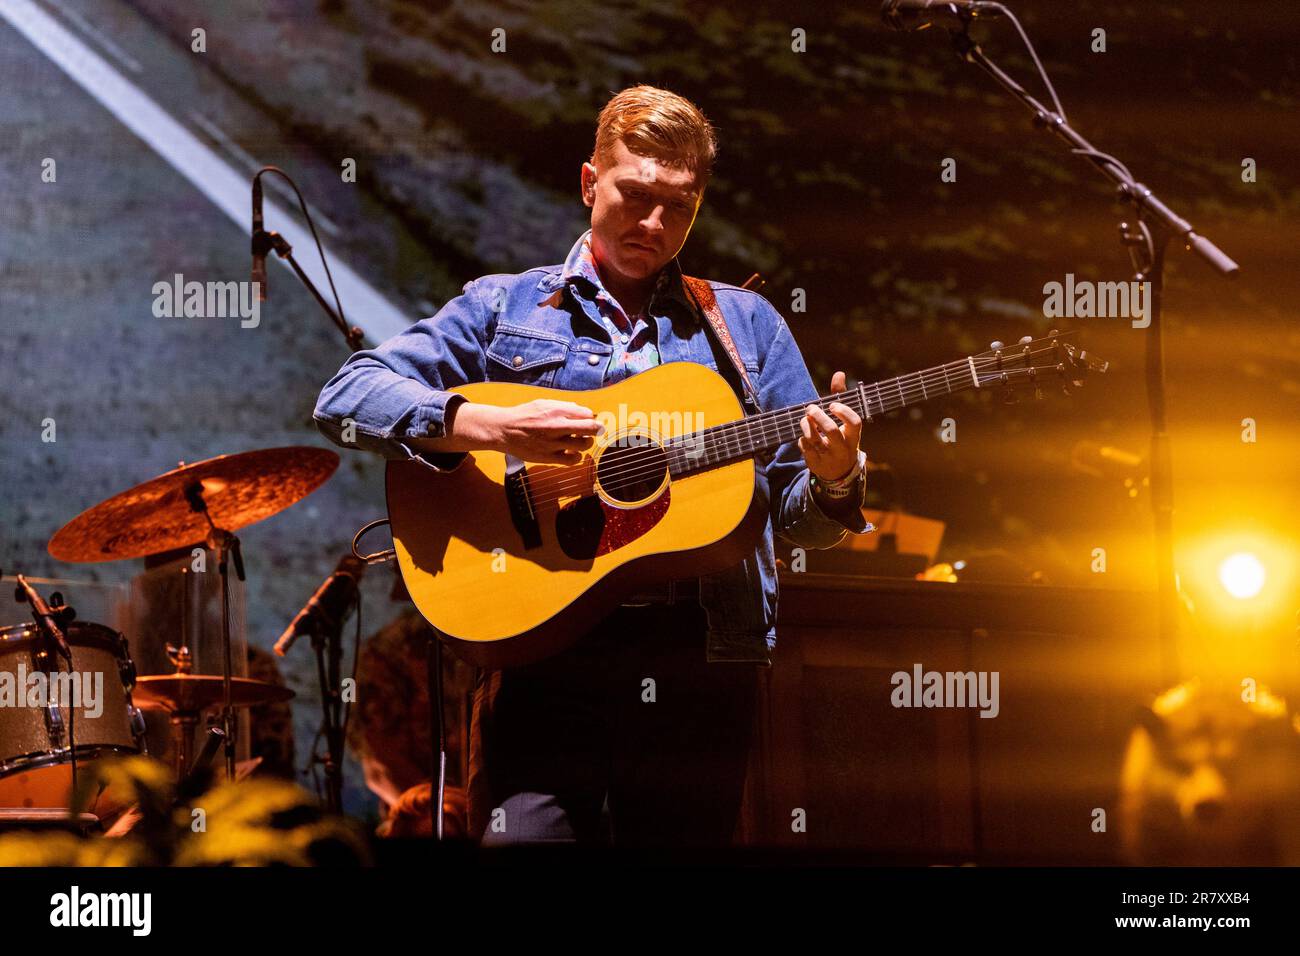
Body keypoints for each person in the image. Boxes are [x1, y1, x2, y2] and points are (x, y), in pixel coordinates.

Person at [315, 85, 871, 847]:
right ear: (588, 183)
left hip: (699, 657)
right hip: (540, 650)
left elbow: (792, 514)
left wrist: (834, 478)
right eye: (635, 195)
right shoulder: (502, 308)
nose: (654, 223)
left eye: (679, 205)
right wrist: (485, 423)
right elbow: (346, 396)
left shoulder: (745, 329)